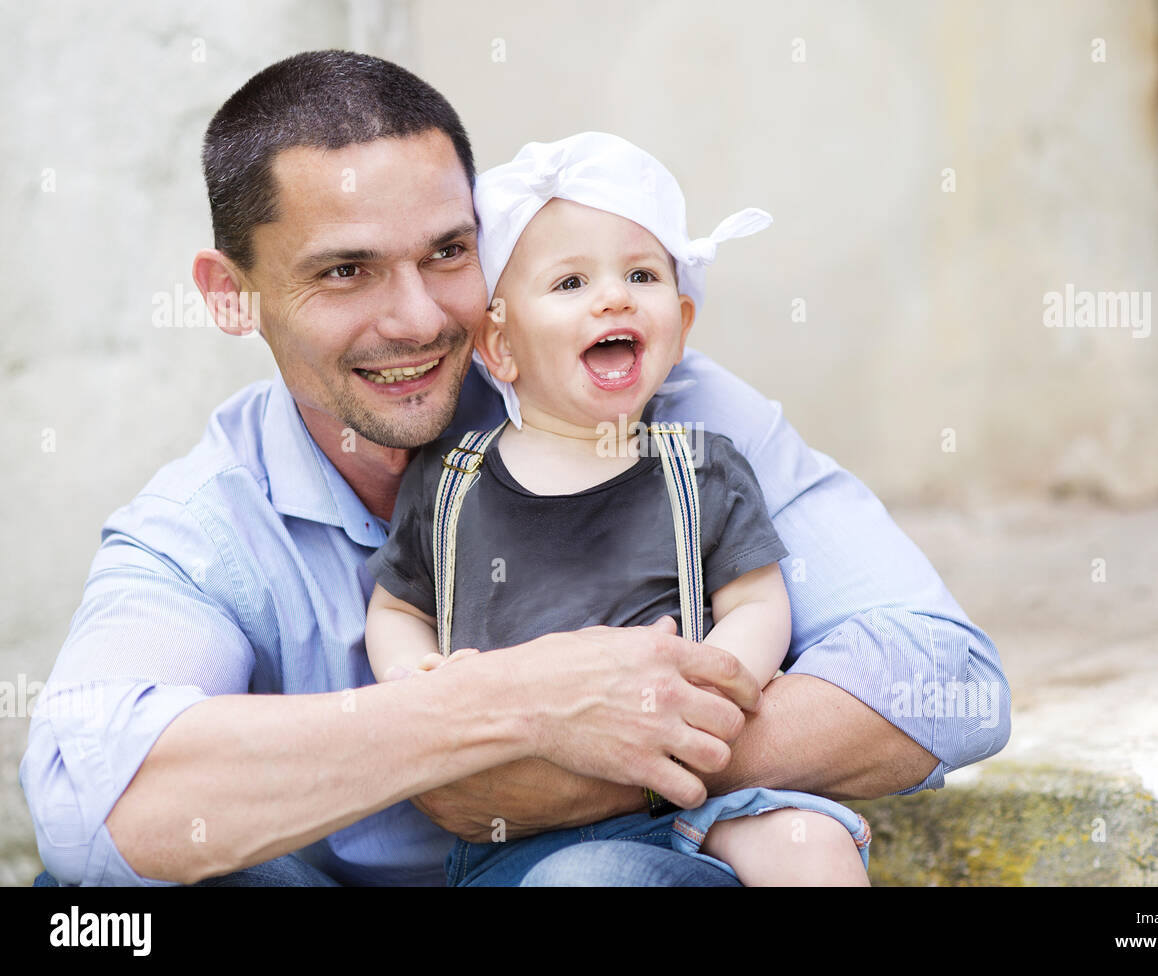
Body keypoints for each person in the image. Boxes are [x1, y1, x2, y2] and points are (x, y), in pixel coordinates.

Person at [19, 50, 1009, 887]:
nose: (416, 317)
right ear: (230, 295)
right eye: (344, 271)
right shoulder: (205, 524)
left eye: (449, 252)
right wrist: (491, 716)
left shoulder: (638, 408)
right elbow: (86, 802)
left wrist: (607, 754)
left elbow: (943, 674)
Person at [365, 131, 872, 886]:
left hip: (699, 799)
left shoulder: (699, 468)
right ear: (498, 347)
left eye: (641, 274)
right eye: (570, 284)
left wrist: (712, 682)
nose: (613, 296)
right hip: (529, 834)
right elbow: (398, 609)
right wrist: (416, 679)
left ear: (680, 328)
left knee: (811, 846)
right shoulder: (451, 482)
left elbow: (759, 599)